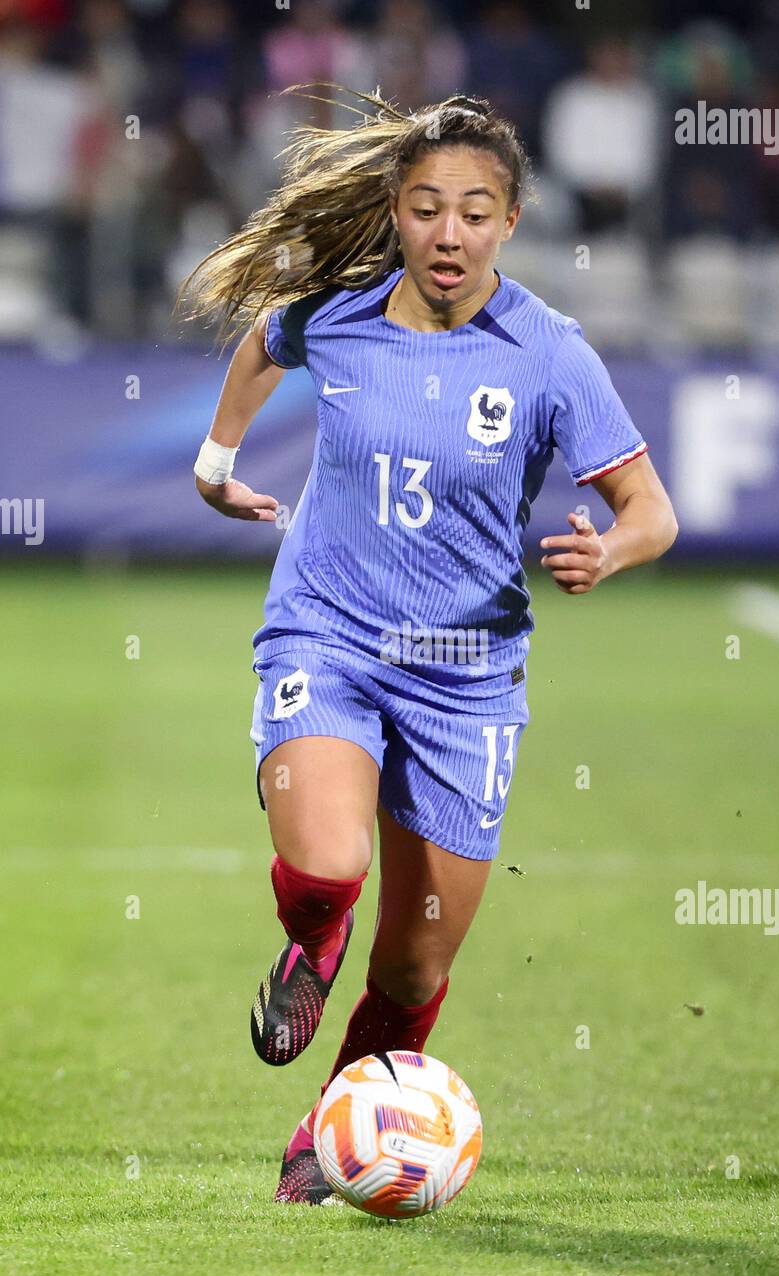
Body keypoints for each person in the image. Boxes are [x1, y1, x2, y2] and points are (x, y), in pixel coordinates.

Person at [177, 84, 678, 1205]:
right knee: (326, 865)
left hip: (468, 682)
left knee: (415, 964)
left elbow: (652, 508)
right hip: (332, 634)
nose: (448, 234)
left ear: (510, 219)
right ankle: (314, 933)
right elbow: (262, 342)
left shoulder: (549, 353)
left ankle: (336, 1122)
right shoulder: (343, 312)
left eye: (475, 211)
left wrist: (615, 553)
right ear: (396, 214)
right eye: (424, 208)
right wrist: (215, 465)